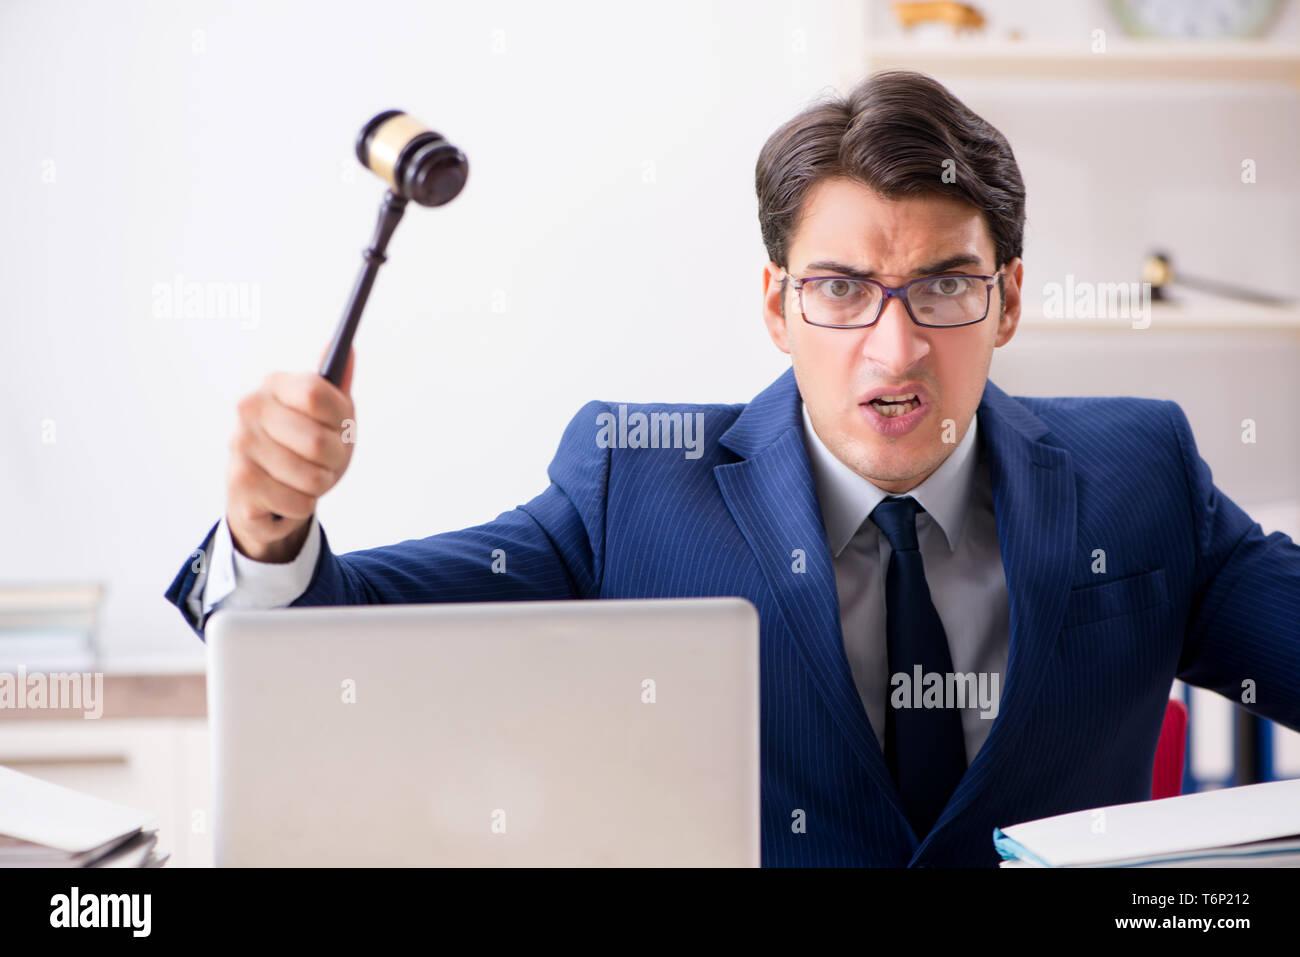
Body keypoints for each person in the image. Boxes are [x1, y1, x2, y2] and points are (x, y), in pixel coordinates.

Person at [165, 70, 1300, 867]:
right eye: (842, 288)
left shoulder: (1137, 471)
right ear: (777, 306)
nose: (893, 349)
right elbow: (337, 642)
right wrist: (270, 534)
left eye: (946, 287)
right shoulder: (637, 486)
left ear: (1006, 300)